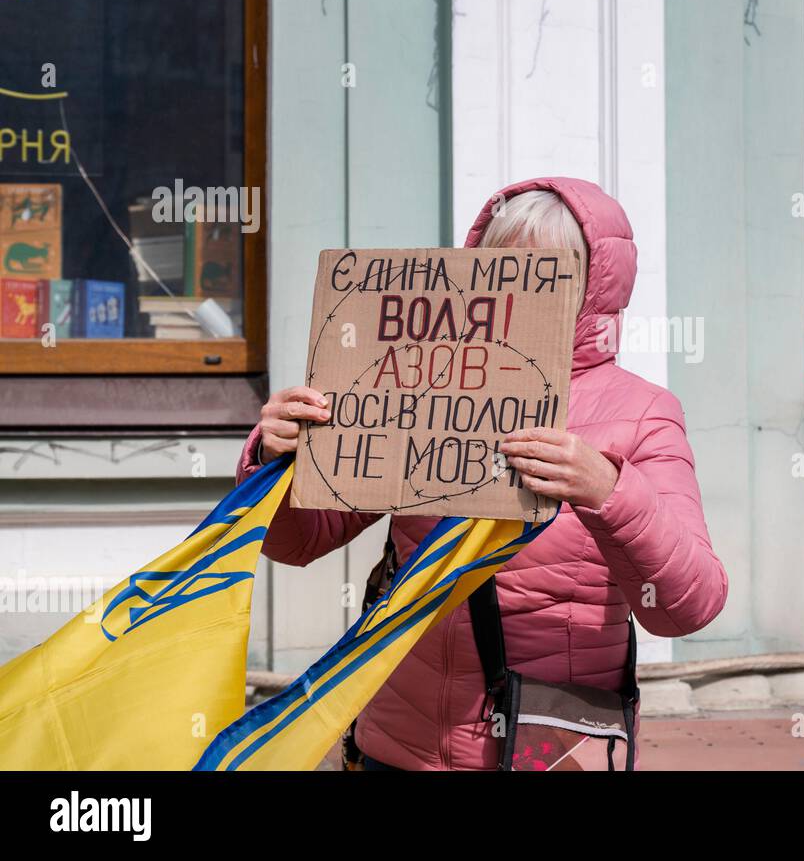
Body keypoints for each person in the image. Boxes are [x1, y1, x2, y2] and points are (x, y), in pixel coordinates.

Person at [237, 176, 728, 770]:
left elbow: (686, 606)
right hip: (393, 746)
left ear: (593, 287)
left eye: (545, 273)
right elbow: (294, 543)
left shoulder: (643, 413)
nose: (516, 290)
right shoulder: (419, 378)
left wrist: (610, 490)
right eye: (499, 267)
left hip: (544, 755)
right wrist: (276, 460)